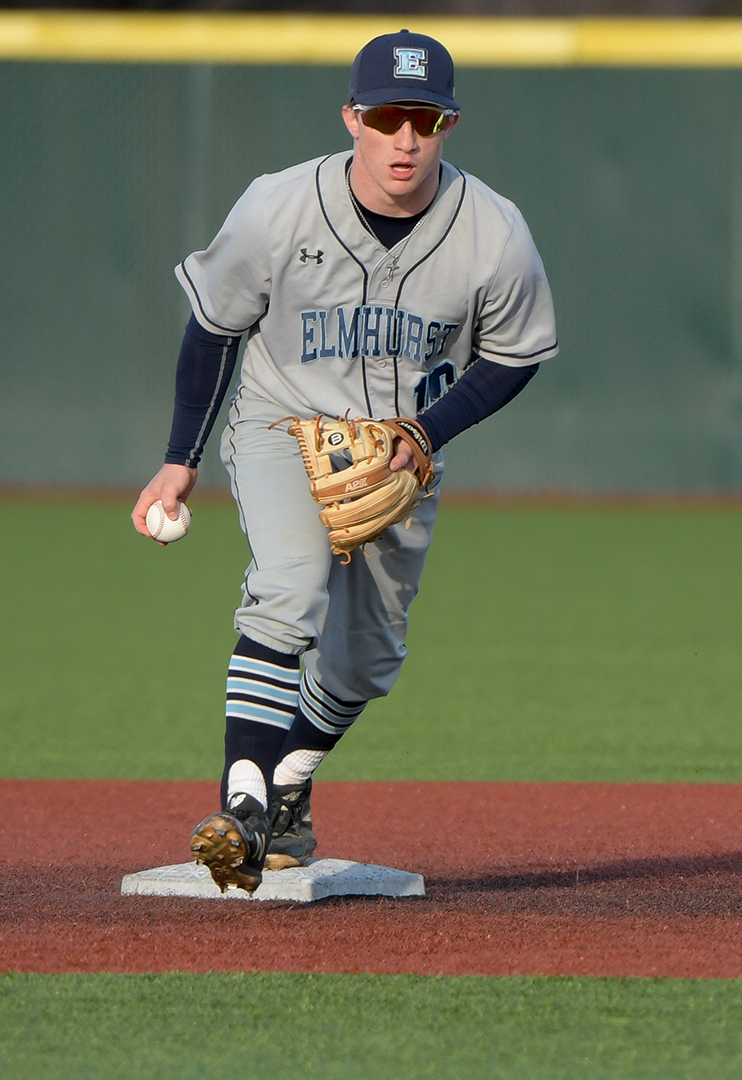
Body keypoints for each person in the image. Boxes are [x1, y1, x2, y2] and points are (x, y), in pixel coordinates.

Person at [130, 30, 558, 893]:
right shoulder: (278, 208)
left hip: (402, 451)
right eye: (388, 116)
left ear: (449, 124)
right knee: (291, 583)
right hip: (283, 422)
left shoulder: (494, 233)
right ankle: (242, 804)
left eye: (425, 119)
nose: (406, 138)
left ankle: (288, 787)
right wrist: (181, 459)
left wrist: (429, 433)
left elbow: (516, 354)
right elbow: (213, 330)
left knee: (365, 660)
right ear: (353, 117)